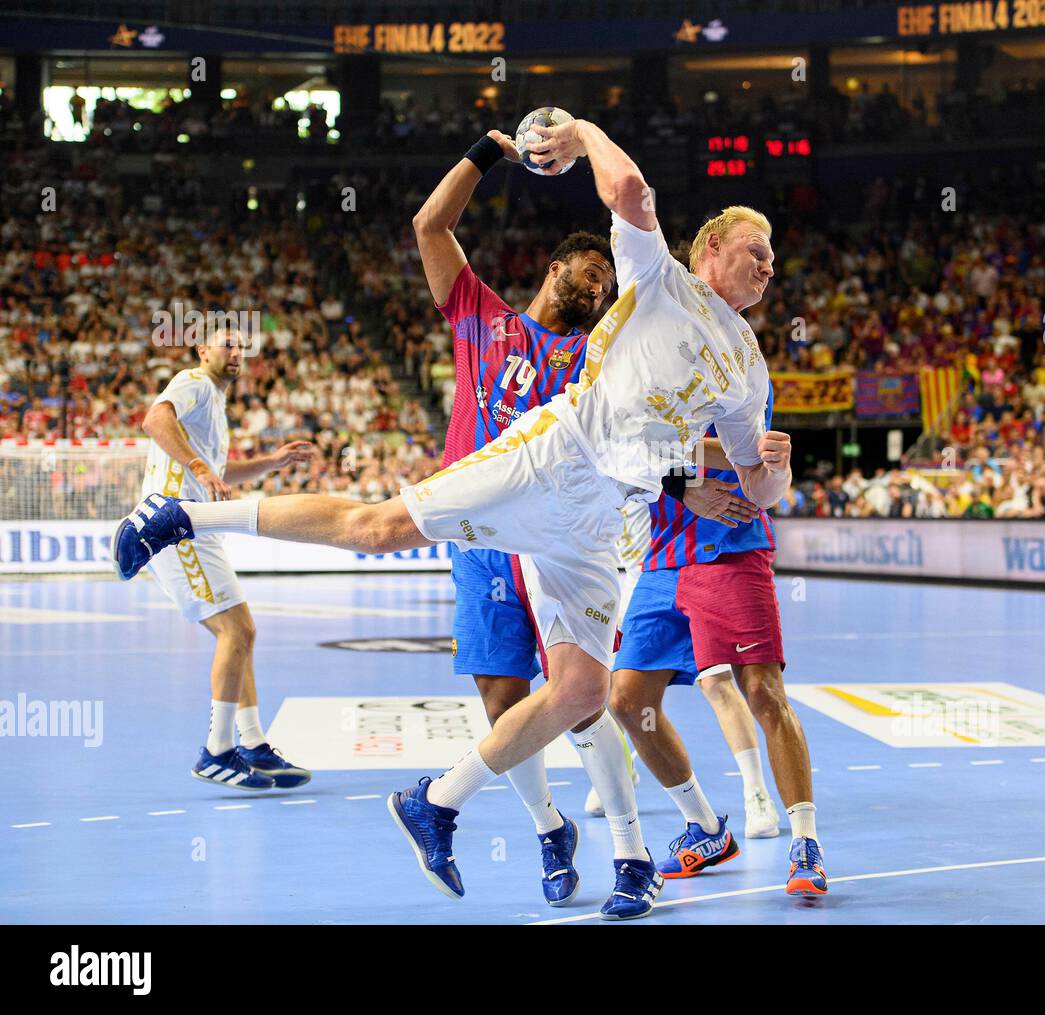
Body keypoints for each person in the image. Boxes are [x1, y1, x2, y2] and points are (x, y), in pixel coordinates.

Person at [113, 116, 790, 920]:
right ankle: (185, 515)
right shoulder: (520, 315)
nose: (770, 267)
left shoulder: (703, 360)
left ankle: (480, 812)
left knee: (582, 691)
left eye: (775, 259)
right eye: (757, 250)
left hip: (601, 520)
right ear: (710, 246)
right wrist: (545, 138)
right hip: (533, 474)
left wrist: (757, 476)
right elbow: (462, 223)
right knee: (384, 537)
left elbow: (663, 446)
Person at [410, 128, 616, 907]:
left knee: (583, 696)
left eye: (605, 286)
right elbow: (431, 228)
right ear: (556, 267)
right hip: (478, 537)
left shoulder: (590, 364)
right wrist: (483, 153)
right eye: (588, 274)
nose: (595, 290)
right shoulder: (485, 321)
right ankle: (549, 830)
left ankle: (629, 847)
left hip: (557, 541)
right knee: (503, 698)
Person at [609, 369, 827, 896]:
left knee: (761, 691)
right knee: (626, 700)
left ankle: (805, 843)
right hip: (662, 557)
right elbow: (621, 444)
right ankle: (706, 827)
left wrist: (676, 451)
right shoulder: (643, 364)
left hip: (732, 544)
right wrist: (681, 476)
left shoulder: (742, 368)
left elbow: (754, 462)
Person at [125, 327, 316, 791]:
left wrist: (269, 463)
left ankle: (250, 743)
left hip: (196, 526)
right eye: (225, 343)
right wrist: (198, 466)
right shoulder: (194, 381)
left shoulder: (214, 403)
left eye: (240, 345)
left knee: (240, 634)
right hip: (174, 524)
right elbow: (155, 419)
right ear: (202, 350)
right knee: (237, 630)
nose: (235, 350)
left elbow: (221, 469)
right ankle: (216, 751)